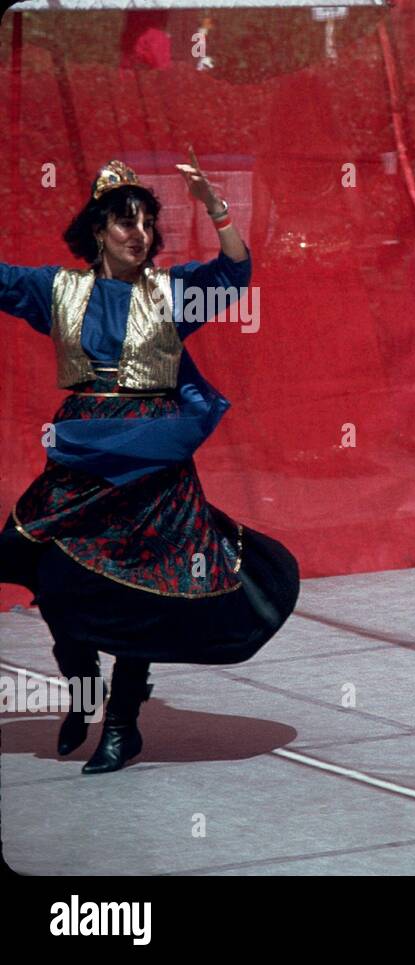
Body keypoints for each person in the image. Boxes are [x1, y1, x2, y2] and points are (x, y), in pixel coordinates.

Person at [0, 157, 299, 774]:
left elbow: (235, 272)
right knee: (45, 570)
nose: (137, 233)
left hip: (155, 464)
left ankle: (122, 725)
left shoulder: (171, 292)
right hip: (83, 459)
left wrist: (214, 207)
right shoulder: (57, 290)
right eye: (123, 221)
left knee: (144, 588)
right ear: (98, 230)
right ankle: (82, 687)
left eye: (145, 222)